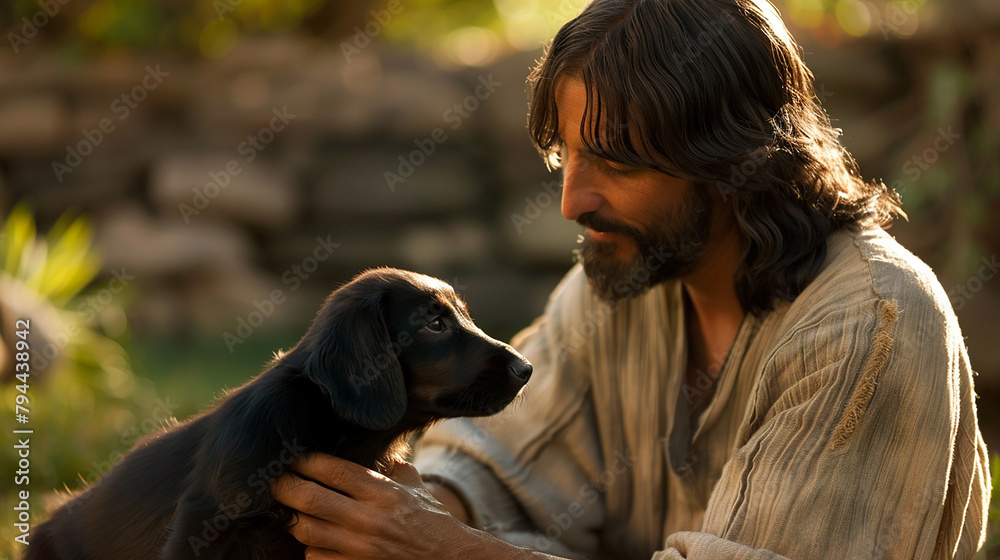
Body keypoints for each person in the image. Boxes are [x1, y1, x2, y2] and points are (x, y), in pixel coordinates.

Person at [271, 0, 992, 557]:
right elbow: (496, 460)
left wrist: (445, 551)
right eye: (567, 157)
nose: (572, 202)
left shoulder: (872, 323)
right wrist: (404, 517)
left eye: (617, 163)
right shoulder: (618, 286)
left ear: (735, 162)